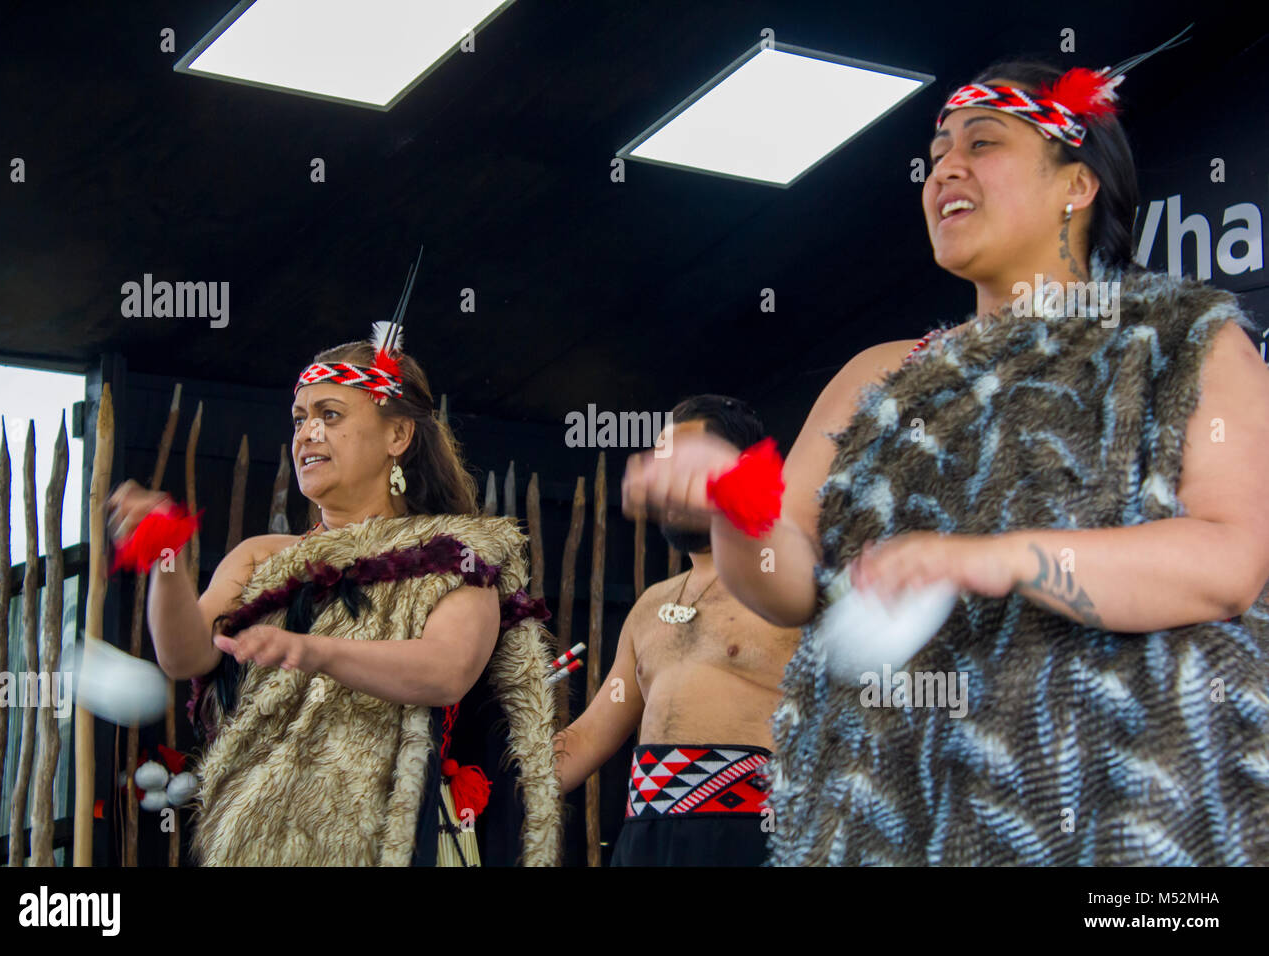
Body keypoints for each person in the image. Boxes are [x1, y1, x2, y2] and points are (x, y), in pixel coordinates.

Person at [621, 56, 1269, 865]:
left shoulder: (1184, 344)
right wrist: (737, 508)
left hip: (1122, 826)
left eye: (983, 143)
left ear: (1078, 183)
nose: (944, 171)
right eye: (935, 157)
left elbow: (1228, 560)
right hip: (886, 823)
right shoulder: (874, 376)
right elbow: (787, 587)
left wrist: (992, 559)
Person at [106, 325, 562, 866]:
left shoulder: (457, 555)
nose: (307, 434)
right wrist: (167, 558)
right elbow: (185, 654)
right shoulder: (261, 556)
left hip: (389, 837)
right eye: (299, 419)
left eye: (331, 415)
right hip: (255, 840)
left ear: (398, 437)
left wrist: (313, 651)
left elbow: (445, 670)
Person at [554, 396, 799, 866]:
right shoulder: (650, 606)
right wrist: (503, 775)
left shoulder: (789, 588)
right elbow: (587, 738)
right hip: (643, 841)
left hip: (753, 840)